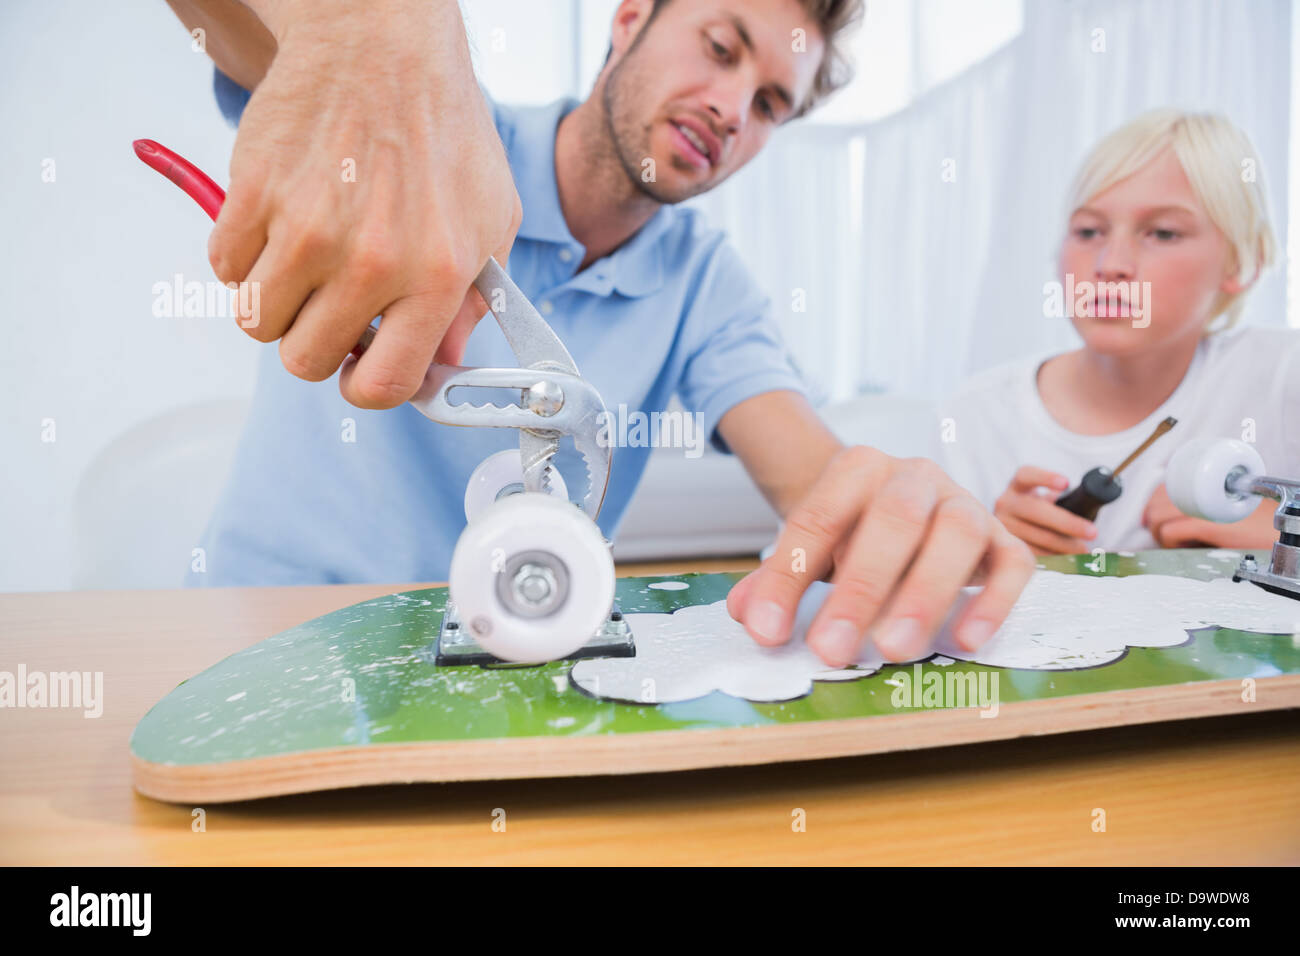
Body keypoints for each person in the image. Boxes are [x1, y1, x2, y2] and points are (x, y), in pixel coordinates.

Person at [166, 0, 1033, 667]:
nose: (733, 107)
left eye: (771, 102)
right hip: (252, 631)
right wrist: (385, 36)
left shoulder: (706, 283)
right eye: (721, 48)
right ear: (628, 20)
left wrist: (893, 510)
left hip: (494, 665)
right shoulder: (425, 138)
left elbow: (814, 475)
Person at [940, 109, 1297, 555]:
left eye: (1163, 233)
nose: (1110, 265)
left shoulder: (1283, 377)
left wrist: (1285, 533)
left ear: (1243, 264)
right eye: (1088, 231)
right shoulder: (977, 418)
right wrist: (984, 557)